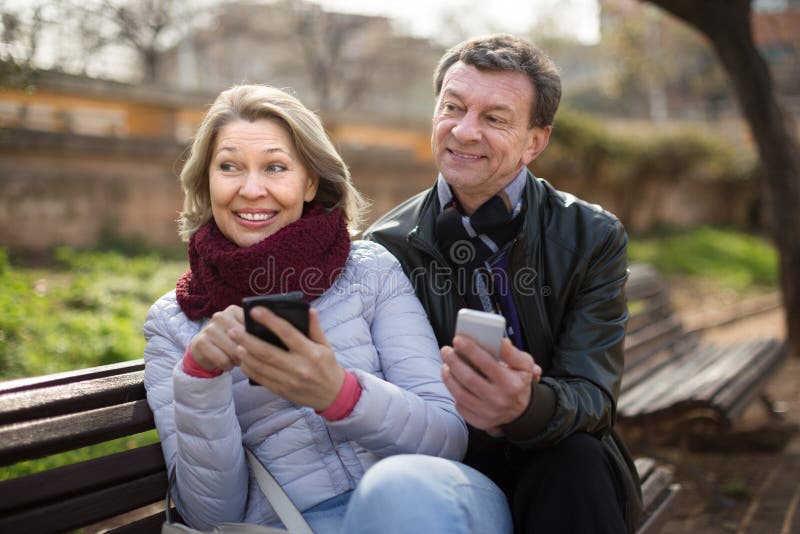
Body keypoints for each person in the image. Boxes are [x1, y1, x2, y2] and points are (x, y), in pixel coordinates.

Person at [142, 84, 499, 533]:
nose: (251, 189)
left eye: (275, 167)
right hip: (296, 525)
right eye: (229, 167)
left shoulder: (370, 271)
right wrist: (201, 378)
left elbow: (447, 438)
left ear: (310, 181)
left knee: (395, 492)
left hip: (426, 502)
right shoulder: (174, 324)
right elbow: (212, 516)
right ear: (206, 180)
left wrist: (339, 395)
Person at [362, 34, 644, 533]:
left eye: (494, 118)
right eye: (453, 107)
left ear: (535, 141)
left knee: (574, 461)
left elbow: (593, 395)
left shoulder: (592, 236)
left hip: (560, 460)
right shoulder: (385, 246)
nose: (464, 131)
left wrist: (524, 407)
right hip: (449, 460)